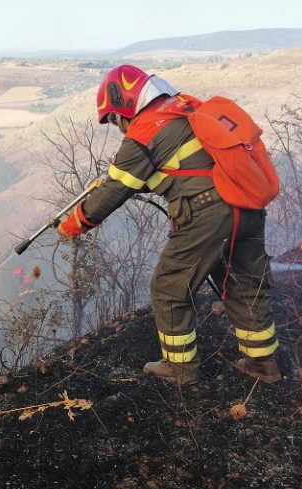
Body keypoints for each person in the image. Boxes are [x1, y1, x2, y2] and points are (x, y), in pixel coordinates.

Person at [57, 64, 281, 386]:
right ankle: (263, 364)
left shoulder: (146, 130)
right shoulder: (184, 108)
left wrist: (74, 223)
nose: (120, 128)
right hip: (245, 205)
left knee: (169, 288)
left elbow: (114, 190)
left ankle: (180, 369)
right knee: (243, 281)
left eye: (116, 120)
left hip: (207, 214)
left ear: (124, 103)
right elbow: (186, 169)